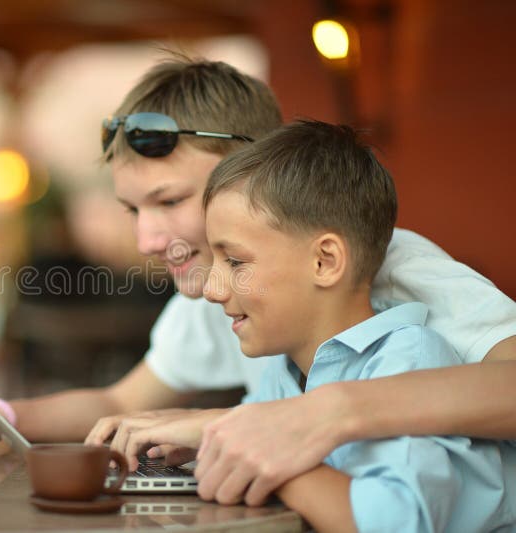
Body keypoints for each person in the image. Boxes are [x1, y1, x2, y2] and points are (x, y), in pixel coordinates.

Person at [0, 57, 516, 505]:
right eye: (134, 211)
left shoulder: (392, 266)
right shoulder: (220, 287)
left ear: (253, 167)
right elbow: (118, 403)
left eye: (169, 200)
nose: (146, 240)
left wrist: (320, 416)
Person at [190, 119, 513, 531]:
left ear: (324, 261)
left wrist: (274, 462)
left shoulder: (409, 358)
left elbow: (396, 523)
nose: (211, 289)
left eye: (234, 262)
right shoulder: (285, 371)